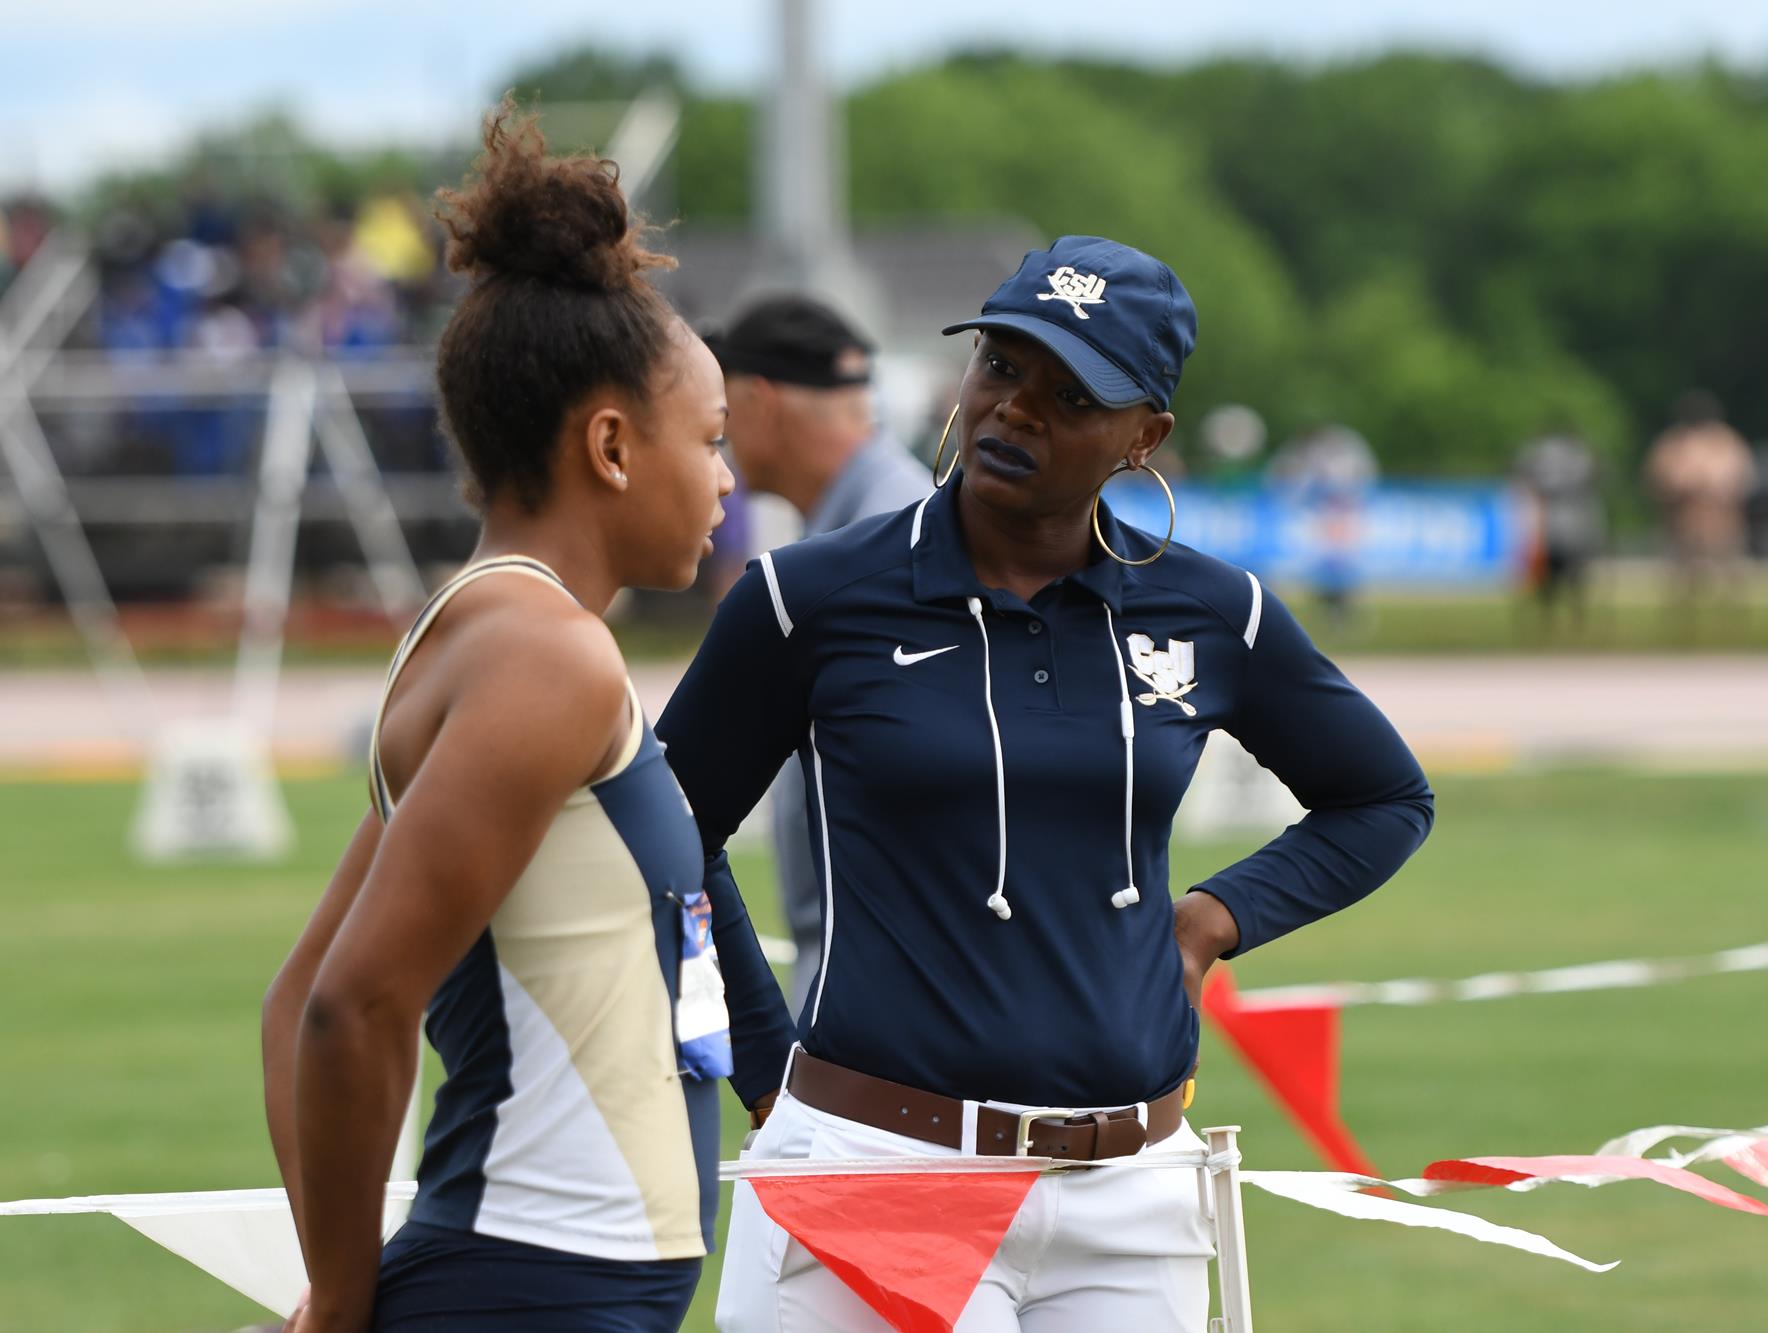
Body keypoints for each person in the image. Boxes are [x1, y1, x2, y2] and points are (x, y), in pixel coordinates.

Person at [659, 235, 1435, 1331]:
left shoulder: (1212, 611)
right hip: (879, 1173)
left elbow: (1385, 799)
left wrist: (1210, 919)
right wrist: (762, 1065)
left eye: (1071, 395)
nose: (1016, 410)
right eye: (1002, 366)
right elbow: (664, 828)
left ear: (1144, 436)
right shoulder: (807, 596)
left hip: (1130, 1190)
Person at [258, 104, 794, 1333]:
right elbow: (345, 1003)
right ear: (610, 445)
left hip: (541, 1289)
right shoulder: (547, 660)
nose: (726, 480)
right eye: (709, 441)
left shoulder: (496, 636)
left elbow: (299, 994)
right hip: (529, 1294)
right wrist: (339, 1302)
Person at [706, 295, 933, 1015]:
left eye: (720, 410)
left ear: (760, 402)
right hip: (878, 973)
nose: (716, 436)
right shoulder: (886, 525)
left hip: (883, 993)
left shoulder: (878, 548)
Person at [1646, 390, 1756, 610]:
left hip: (1720, 513)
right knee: (1684, 565)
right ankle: (1684, 607)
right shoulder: (1675, 443)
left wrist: (1716, 489)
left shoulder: (1724, 441)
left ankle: (1730, 605)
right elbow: (1661, 476)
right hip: (1684, 513)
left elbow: (1740, 476)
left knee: (1726, 560)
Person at [1514, 425, 1605, 628]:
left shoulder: (1541, 455)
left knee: (1564, 572)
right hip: (1567, 522)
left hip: (1557, 521)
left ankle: (1560, 616)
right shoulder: (1577, 454)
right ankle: (1568, 616)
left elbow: (1527, 479)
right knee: (1563, 572)